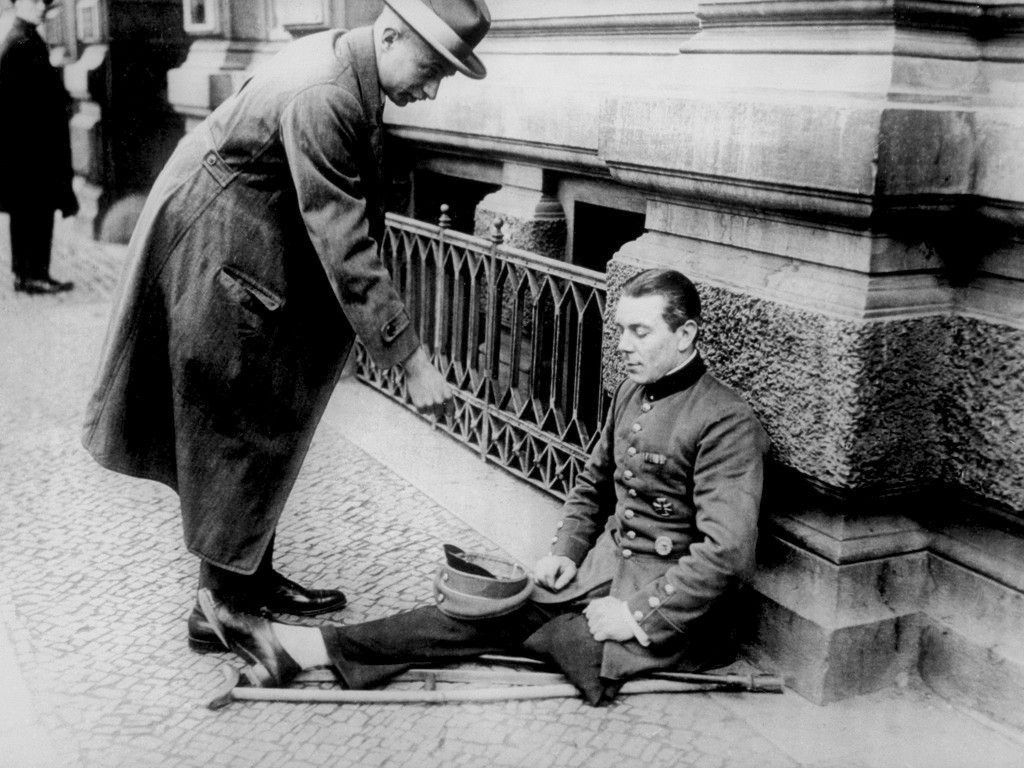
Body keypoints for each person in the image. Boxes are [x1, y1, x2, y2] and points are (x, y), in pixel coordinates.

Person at [81, 0, 491, 648]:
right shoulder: (327, 92)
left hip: (241, 234)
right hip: (216, 243)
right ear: (389, 34)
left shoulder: (350, 64)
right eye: (430, 65)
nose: (432, 87)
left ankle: (247, 581)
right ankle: (221, 609)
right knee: (236, 421)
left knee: (259, 414)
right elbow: (343, 236)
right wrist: (411, 359)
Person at [200, 269, 771, 705]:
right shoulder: (631, 392)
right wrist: (565, 554)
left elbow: (727, 554)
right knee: (486, 607)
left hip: (675, 614)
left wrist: (637, 616)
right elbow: (594, 484)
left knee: (552, 638)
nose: (621, 344)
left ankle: (303, 652)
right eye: (620, 328)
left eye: (639, 331)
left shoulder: (726, 419)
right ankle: (305, 649)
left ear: (686, 334)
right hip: (601, 577)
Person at [0, 0, 77, 295]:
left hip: (27, 149)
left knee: (27, 213)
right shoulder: (22, 42)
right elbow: (24, 102)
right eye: (34, 1)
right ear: (19, 4)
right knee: (35, 212)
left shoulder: (23, 37)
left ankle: (27, 273)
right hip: (32, 149)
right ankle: (33, 275)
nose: (42, 7)